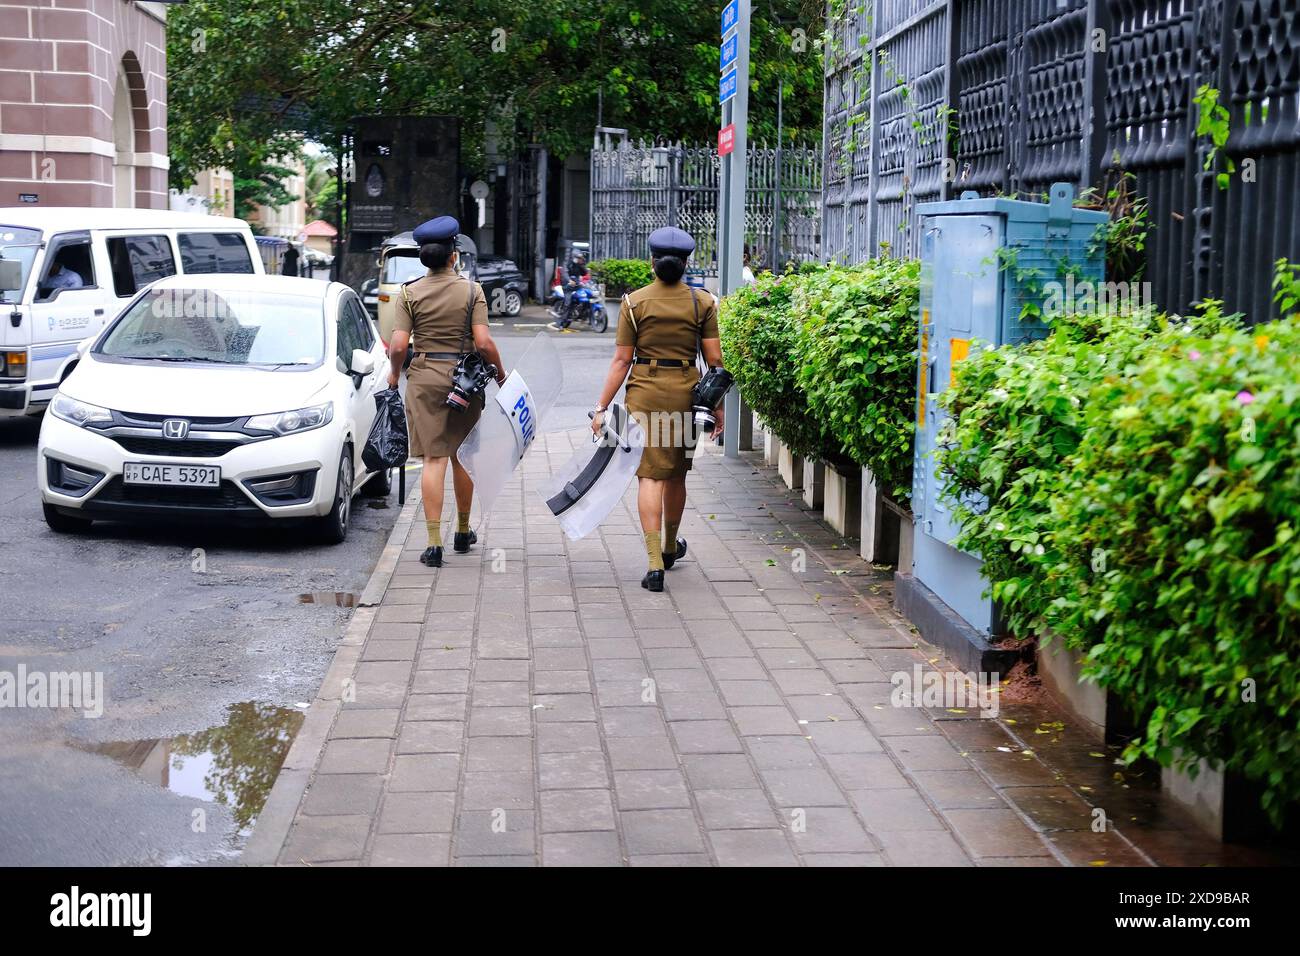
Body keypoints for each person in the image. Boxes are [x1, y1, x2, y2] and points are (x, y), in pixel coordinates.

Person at [589, 226, 725, 592]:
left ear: (652, 263)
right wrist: (719, 408)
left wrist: (602, 407)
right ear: (685, 264)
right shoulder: (703, 303)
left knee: (649, 475)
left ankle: (653, 564)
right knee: (677, 473)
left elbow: (621, 361)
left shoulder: (633, 303)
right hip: (687, 395)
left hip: (644, 395)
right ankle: (669, 547)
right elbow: (715, 363)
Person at [387, 216, 507, 568]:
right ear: (454, 256)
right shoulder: (472, 291)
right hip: (465, 382)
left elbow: (397, 345)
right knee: (464, 456)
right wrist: (500, 374)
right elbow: (483, 342)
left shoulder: (409, 292)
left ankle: (434, 543)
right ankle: (464, 531)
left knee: (434, 459)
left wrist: (395, 375)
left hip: (424, 379)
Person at [548, 249, 589, 331]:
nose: (579, 259)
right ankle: (561, 324)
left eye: (580, 258)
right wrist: (569, 281)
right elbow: (565, 273)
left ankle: (583, 315)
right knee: (568, 303)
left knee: (587, 295)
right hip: (567, 287)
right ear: (573, 257)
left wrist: (583, 265)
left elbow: (584, 273)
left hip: (577, 285)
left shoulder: (578, 265)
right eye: (578, 258)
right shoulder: (566, 263)